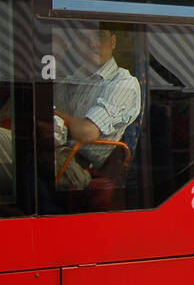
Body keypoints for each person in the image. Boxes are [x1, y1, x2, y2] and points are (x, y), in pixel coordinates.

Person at [52, 25, 141, 190]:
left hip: (81, 167)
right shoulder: (71, 81)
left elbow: (87, 132)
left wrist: (55, 114)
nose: (92, 43)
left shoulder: (123, 82)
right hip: (52, 153)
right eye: (84, 38)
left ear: (113, 42)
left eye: (100, 36)